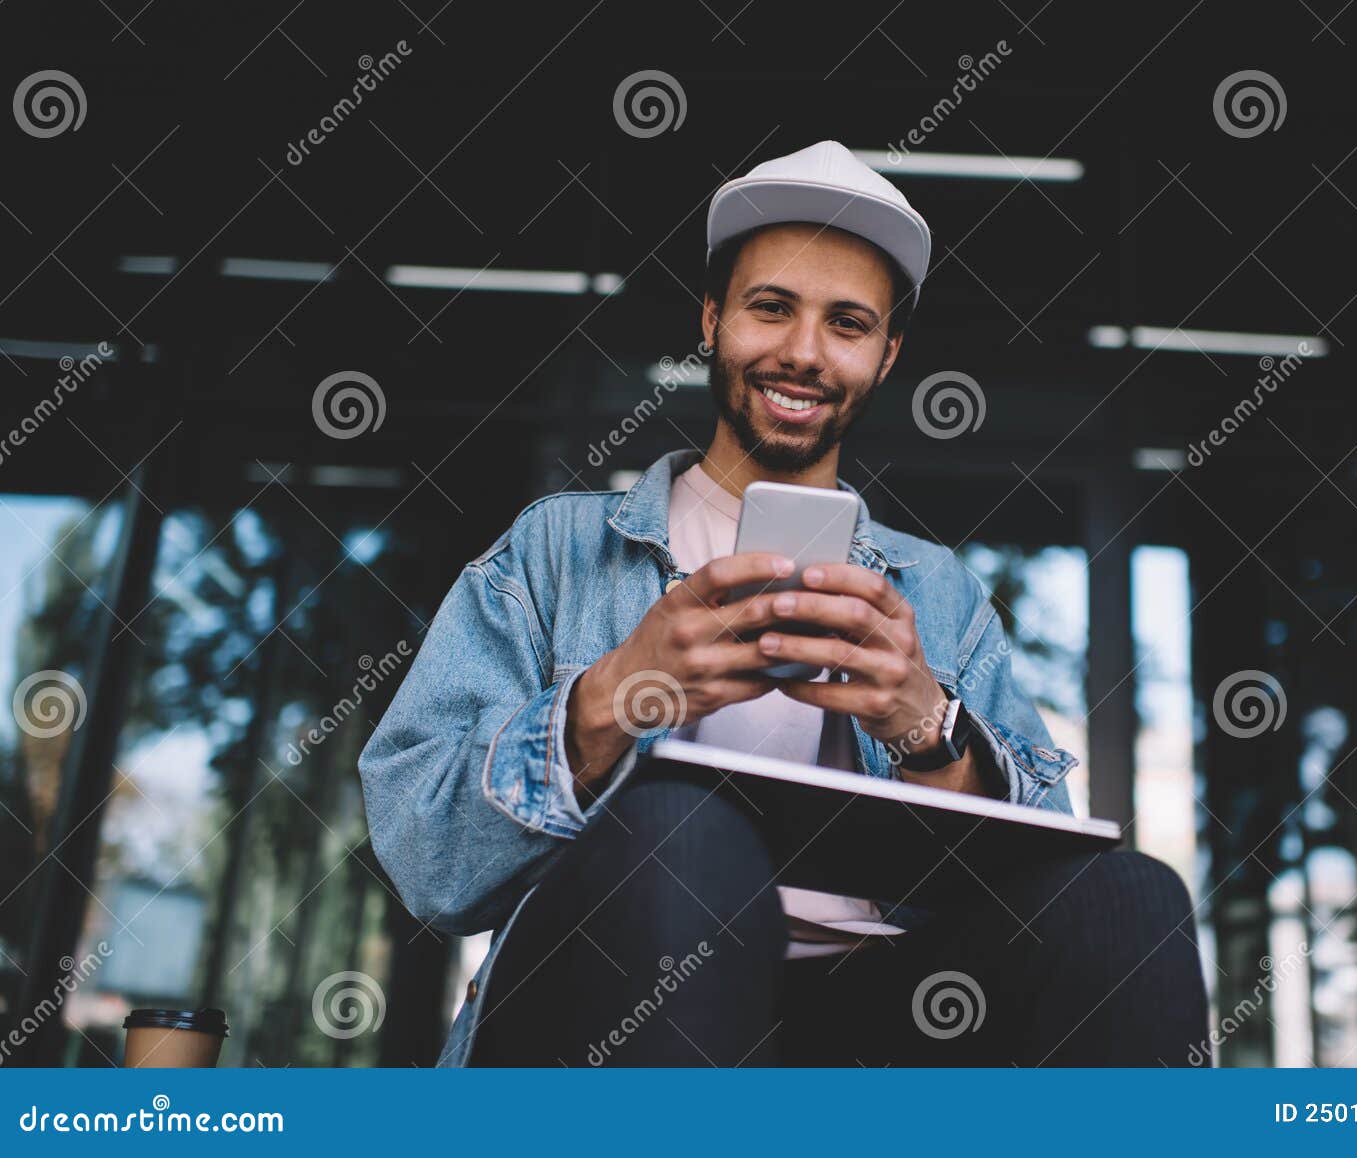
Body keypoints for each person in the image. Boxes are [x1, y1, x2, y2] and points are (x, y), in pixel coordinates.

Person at [357, 139, 1209, 1067]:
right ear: (714, 320)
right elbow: (427, 861)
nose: (804, 353)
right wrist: (613, 693)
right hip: (619, 998)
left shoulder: (939, 595)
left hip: (880, 1017)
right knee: (687, 833)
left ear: (885, 357)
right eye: (772, 308)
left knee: (1132, 898)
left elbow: (1046, 866)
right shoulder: (556, 552)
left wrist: (930, 731)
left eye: (847, 324)